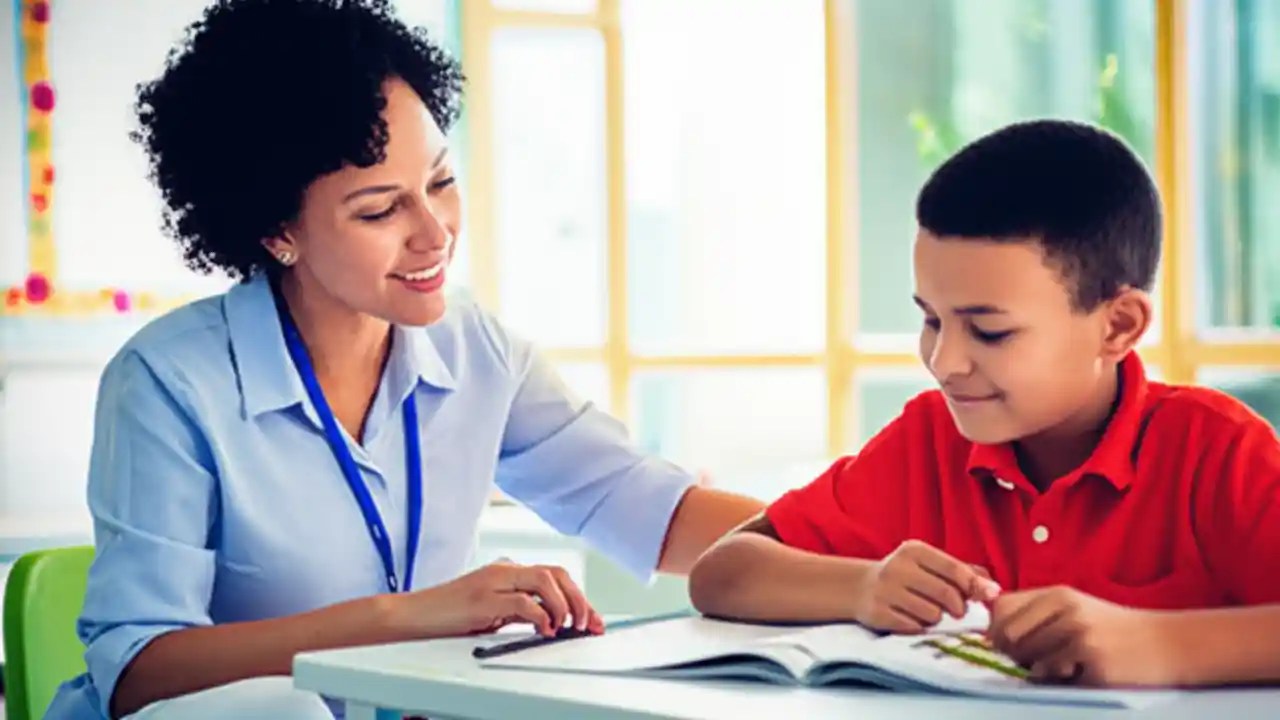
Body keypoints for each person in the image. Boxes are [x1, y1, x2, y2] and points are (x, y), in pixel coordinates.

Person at [45, 2, 763, 718]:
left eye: (441, 184)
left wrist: (851, 558)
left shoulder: (473, 349)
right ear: (275, 230)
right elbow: (139, 672)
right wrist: (406, 617)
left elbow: (639, 502)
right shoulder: (169, 383)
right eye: (379, 211)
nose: (434, 234)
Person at [689, 119, 1280, 688]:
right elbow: (723, 573)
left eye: (990, 332)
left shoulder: (1216, 450)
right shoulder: (929, 440)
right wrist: (862, 586)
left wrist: (1158, 646)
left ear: (1117, 326)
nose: (945, 361)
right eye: (931, 320)